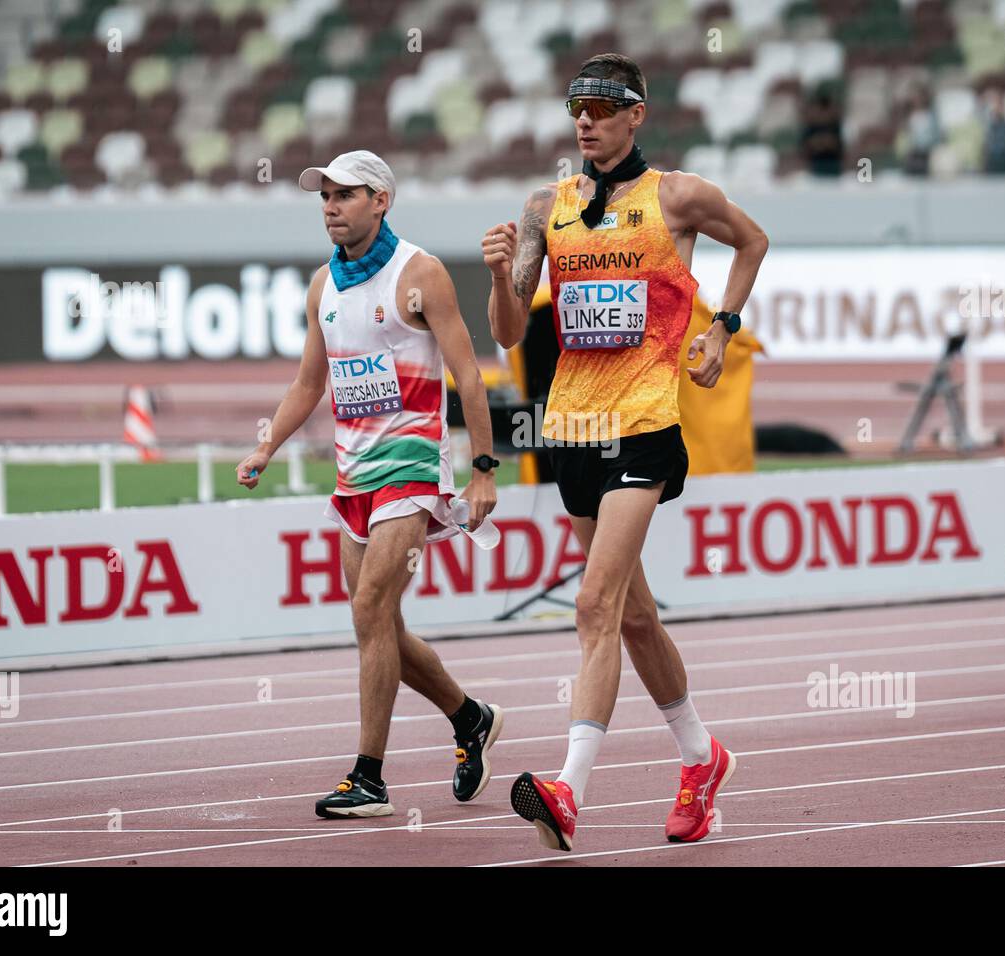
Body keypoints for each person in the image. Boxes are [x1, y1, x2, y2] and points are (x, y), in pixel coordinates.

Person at [482, 54, 768, 851]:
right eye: (576, 105)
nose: (585, 119)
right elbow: (508, 332)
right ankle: (701, 758)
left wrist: (721, 330)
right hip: (572, 427)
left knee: (593, 604)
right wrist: (502, 276)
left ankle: (569, 789)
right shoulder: (550, 205)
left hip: (644, 423)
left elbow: (753, 241)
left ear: (636, 115)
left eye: (603, 107)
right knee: (636, 619)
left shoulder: (677, 197)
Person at [236, 150, 504, 818]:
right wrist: (266, 446)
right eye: (323, 196)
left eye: (344, 194)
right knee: (377, 623)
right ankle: (470, 717)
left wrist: (483, 470)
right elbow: (309, 384)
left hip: (412, 466)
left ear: (380, 199)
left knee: (368, 610)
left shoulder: (422, 273)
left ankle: (369, 777)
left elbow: (470, 375)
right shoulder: (322, 286)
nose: (329, 206)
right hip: (354, 472)